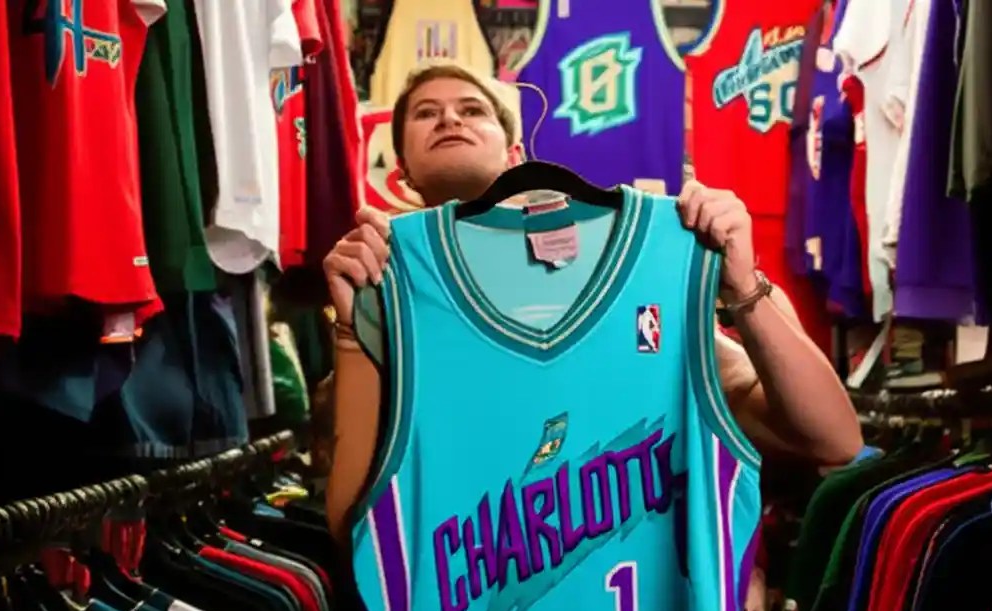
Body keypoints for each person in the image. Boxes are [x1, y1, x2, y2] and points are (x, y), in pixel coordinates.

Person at [321, 63, 862, 544]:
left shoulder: (636, 264)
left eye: (472, 109)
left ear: (516, 154)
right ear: (402, 170)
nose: (449, 120)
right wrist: (353, 329)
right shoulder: (384, 287)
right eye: (426, 113)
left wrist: (745, 288)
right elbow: (354, 526)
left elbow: (834, 441)